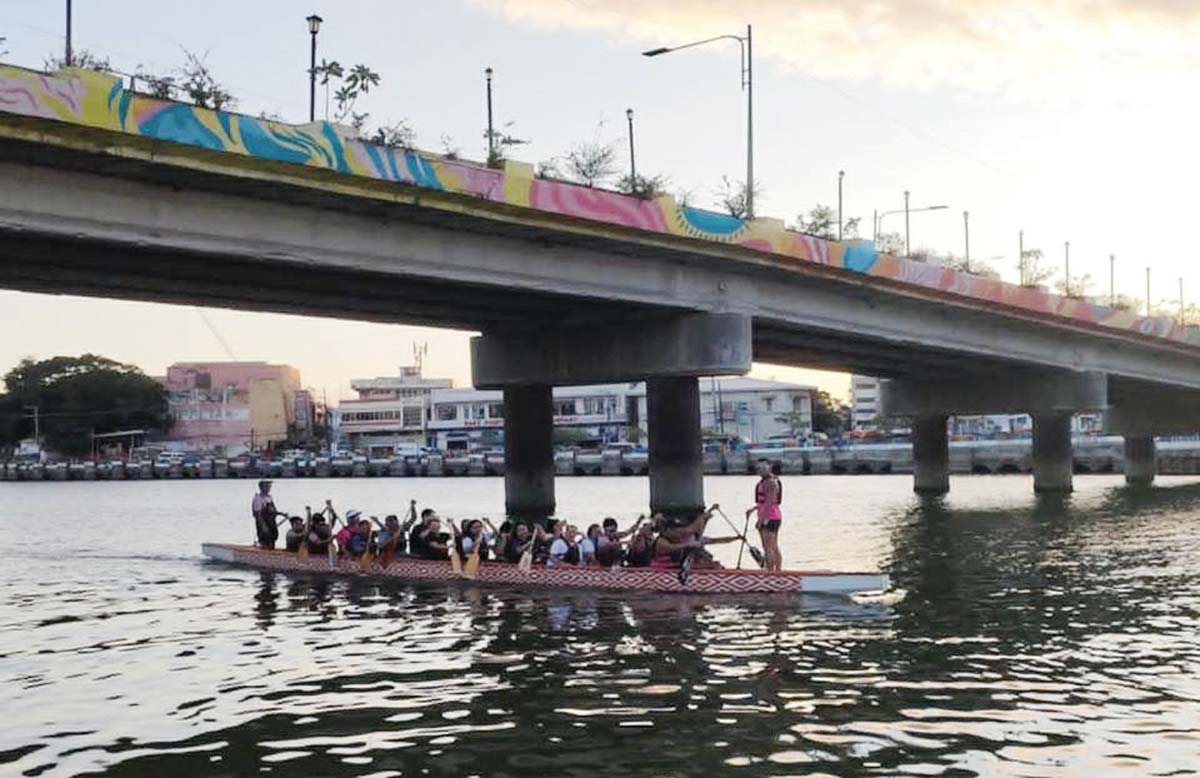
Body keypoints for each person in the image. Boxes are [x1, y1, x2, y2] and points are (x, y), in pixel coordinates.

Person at [746, 459, 784, 571]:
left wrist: (761, 520)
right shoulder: (766, 482)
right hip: (773, 516)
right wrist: (753, 509)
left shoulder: (771, 482)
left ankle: (771, 572)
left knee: (768, 548)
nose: (760, 471)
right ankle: (777, 571)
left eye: (763, 468)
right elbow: (763, 502)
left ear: (770, 467)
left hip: (769, 518)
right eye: (759, 469)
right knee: (773, 546)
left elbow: (770, 502)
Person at [251, 480, 281, 549]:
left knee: (273, 537)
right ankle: (264, 551)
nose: (269, 488)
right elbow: (257, 514)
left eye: (269, 486)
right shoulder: (258, 498)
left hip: (271, 522)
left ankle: (272, 552)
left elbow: (273, 510)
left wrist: (282, 514)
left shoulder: (270, 497)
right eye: (266, 486)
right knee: (265, 538)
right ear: (261, 487)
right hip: (263, 523)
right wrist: (263, 526)